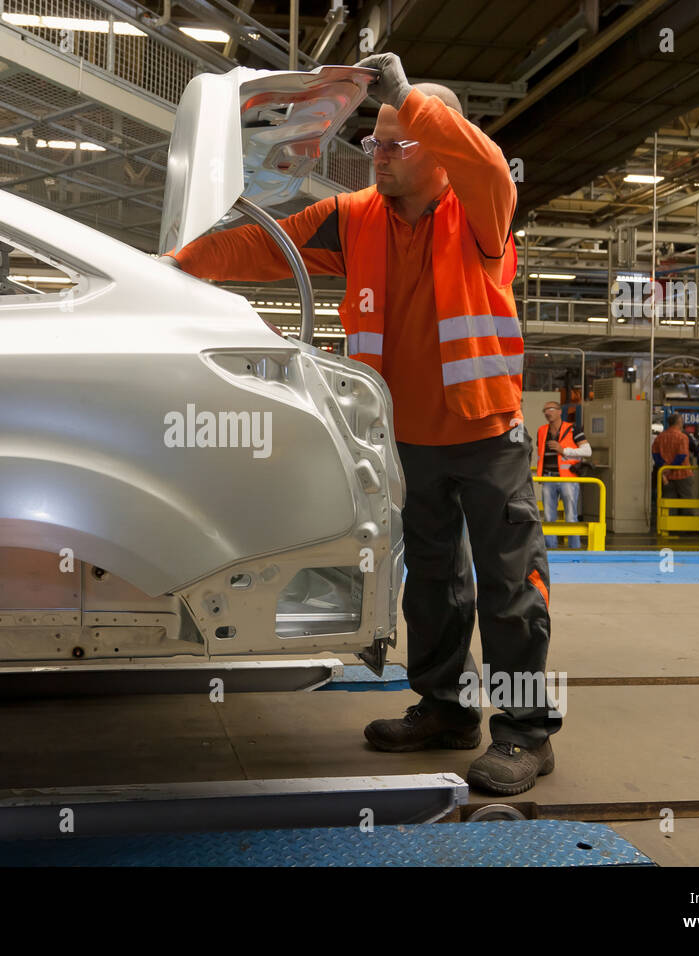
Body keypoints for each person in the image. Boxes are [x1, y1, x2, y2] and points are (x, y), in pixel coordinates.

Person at [164, 53, 559, 795]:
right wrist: (174, 264)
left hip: (486, 436)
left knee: (512, 589)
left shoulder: (480, 213)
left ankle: (527, 733)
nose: (376, 156)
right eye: (372, 143)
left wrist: (410, 97)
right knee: (431, 587)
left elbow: (489, 168)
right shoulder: (355, 221)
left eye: (394, 143)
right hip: (407, 445)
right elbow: (259, 245)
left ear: (438, 148)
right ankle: (446, 709)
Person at [536, 401, 591, 549]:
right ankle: (551, 549)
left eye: (551, 409)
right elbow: (540, 454)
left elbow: (587, 451)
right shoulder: (541, 431)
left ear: (560, 412)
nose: (548, 412)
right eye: (545, 410)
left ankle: (575, 549)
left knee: (571, 516)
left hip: (568, 478)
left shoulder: (573, 429)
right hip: (548, 477)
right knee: (548, 517)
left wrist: (564, 450)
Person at [652, 413, 694, 508]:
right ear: (679, 423)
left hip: (665, 477)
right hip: (683, 474)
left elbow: (655, 454)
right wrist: (671, 468)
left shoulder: (660, 437)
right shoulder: (682, 437)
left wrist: (664, 468)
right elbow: (682, 455)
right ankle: (686, 522)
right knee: (686, 504)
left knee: (669, 504)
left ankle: (670, 522)